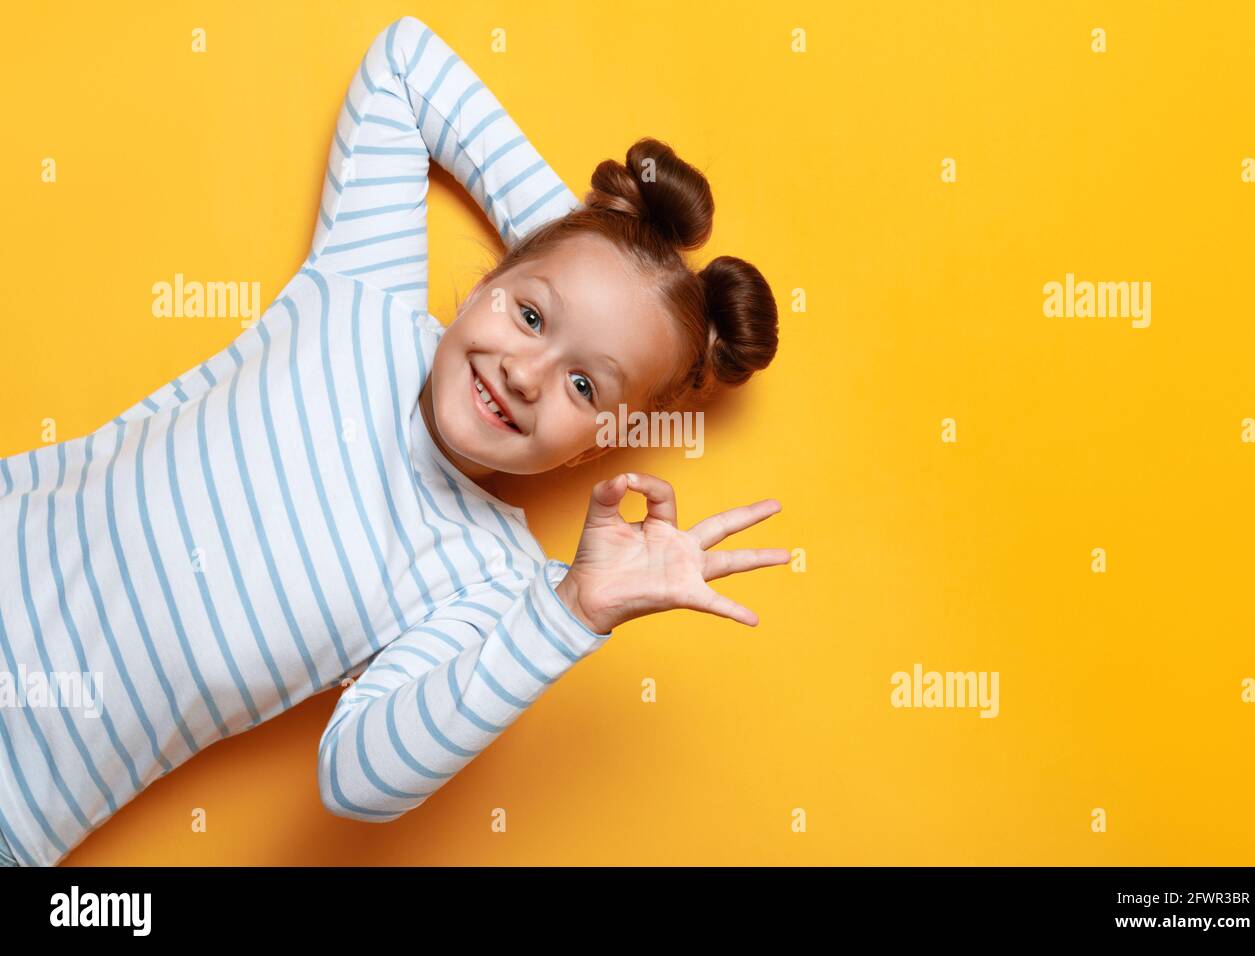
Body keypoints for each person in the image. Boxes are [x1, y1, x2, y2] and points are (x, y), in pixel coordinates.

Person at [0, 14, 784, 866]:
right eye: (527, 313)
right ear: (489, 278)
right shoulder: (362, 294)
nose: (526, 374)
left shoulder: (493, 584)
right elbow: (407, 65)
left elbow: (358, 779)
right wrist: (604, 258)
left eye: (584, 385)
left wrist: (570, 615)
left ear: (596, 447)